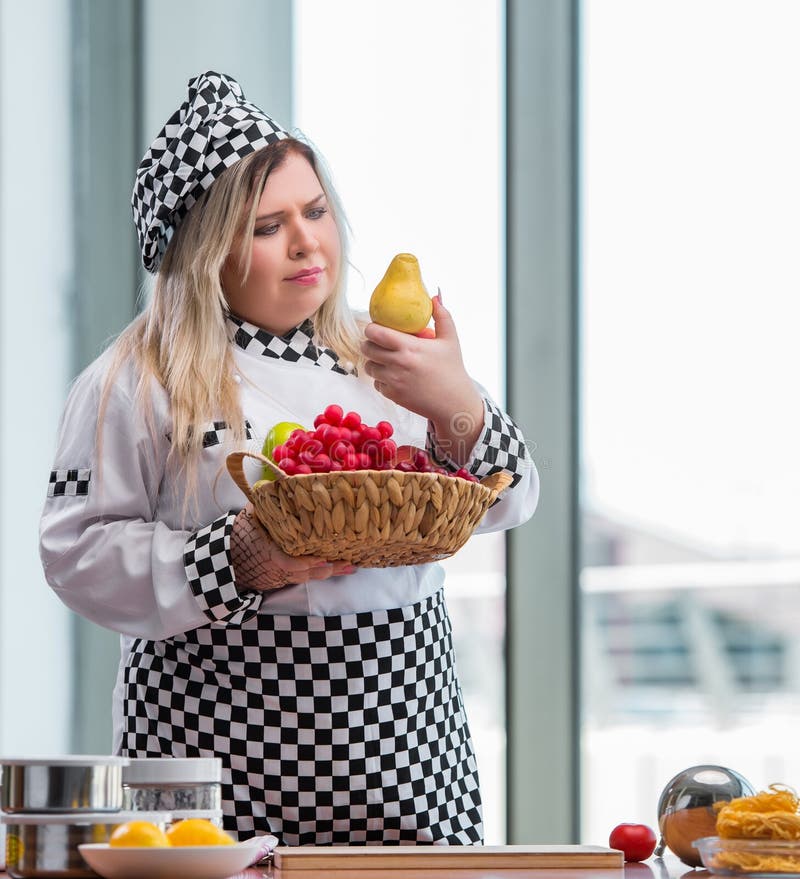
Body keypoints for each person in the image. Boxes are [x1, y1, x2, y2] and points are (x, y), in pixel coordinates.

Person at [40, 71, 539, 846]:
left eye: (315, 211)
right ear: (204, 253)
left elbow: (510, 501)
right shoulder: (132, 382)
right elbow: (74, 552)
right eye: (268, 226)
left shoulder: (391, 358)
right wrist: (233, 560)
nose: (308, 241)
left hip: (401, 749)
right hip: (210, 755)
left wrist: (456, 399)